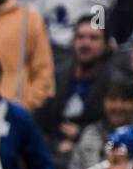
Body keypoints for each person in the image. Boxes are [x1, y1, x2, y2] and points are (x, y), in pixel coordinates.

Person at [38, 18, 115, 158]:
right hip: (51, 154)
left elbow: (114, 126)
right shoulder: (55, 76)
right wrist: (55, 146)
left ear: (106, 45)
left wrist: (81, 135)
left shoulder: (114, 83)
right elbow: (39, 123)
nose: (85, 43)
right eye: (80, 37)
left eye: (93, 38)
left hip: (95, 156)